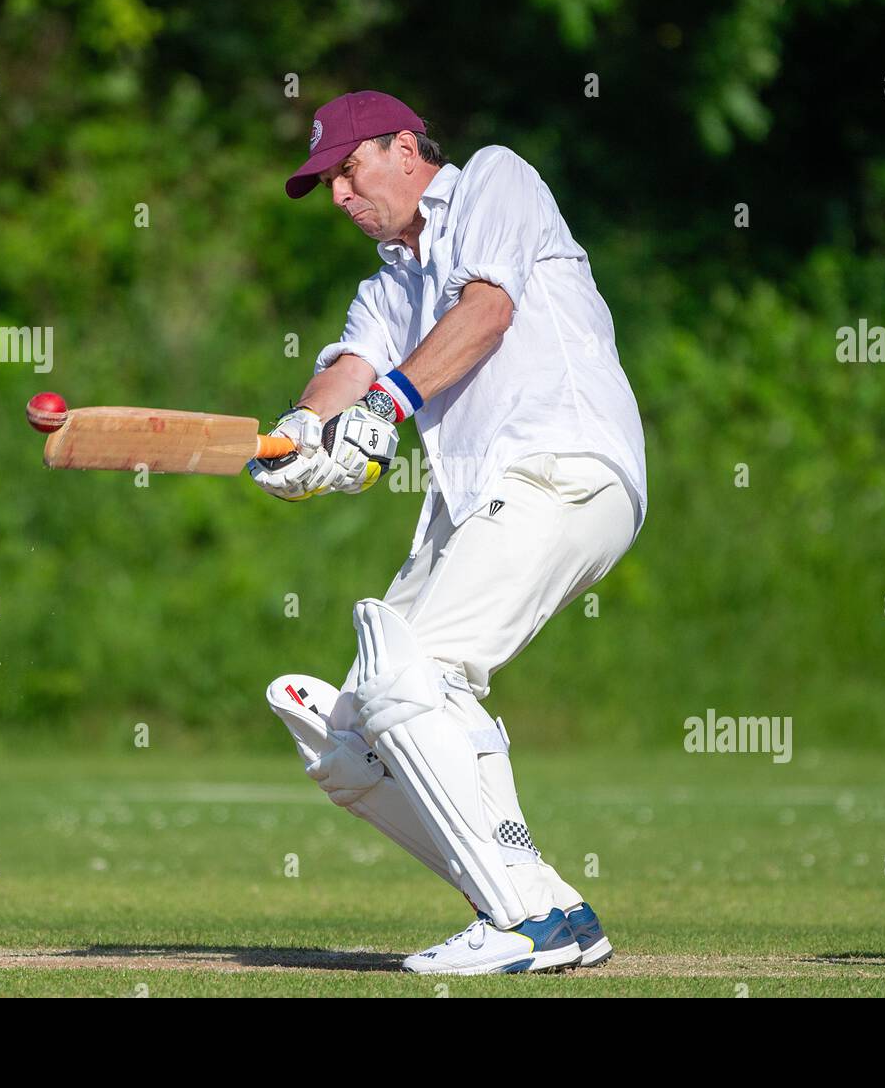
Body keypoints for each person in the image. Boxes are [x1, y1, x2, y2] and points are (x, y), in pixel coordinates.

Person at [252, 90, 647, 975]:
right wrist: (300, 437)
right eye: (328, 186)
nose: (342, 197)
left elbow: (486, 312)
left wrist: (387, 409)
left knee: (414, 674)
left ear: (403, 147)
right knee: (352, 737)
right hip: (475, 506)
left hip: (561, 466)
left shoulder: (494, 182)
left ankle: (522, 927)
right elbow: (347, 372)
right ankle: (545, 905)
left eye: (349, 172)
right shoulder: (390, 281)